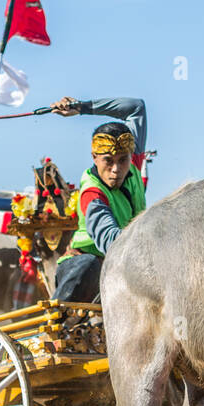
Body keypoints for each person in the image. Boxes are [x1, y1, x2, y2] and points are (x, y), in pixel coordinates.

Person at [50, 96, 148, 302]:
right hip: (84, 272)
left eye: (123, 160)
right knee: (89, 265)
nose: (116, 169)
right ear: (94, 157)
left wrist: (81, 107)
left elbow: (136, 108)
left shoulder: (133, 165)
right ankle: (57, 320)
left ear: (131, 156)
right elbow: (111, 241)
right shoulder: (92, 194)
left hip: (125, 269)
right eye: (108, 161)